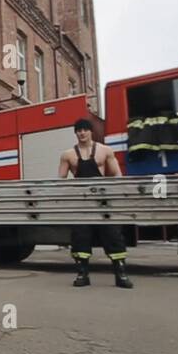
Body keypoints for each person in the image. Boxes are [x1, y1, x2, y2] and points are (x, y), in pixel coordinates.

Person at [57, 118, 134, 289]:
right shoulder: (67, 155)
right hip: (81, 204)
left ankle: (121, 275)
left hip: (102, 203)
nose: (82, 133)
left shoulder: (105, 151)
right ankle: (82, 274)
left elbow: (117, 176)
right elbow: (60, 181)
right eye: (78, 130)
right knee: (80, 238)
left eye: (85, 129)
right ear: (75, 133)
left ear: (91, 131)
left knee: (113, 236)